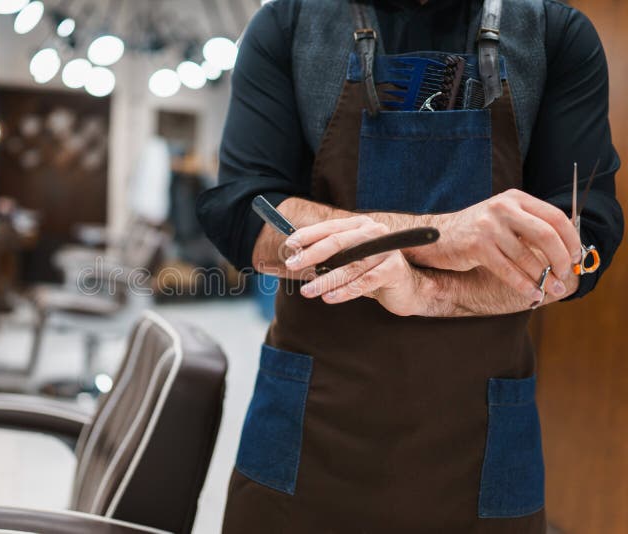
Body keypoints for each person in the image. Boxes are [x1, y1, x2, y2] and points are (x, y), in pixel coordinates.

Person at [196, 0, 624, 532]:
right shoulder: (289, 24)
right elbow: (244, 217)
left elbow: (577, 252)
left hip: (481, 438)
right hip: (309, 425)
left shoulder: (553, 34)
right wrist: (441, 236)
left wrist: (422, 290)